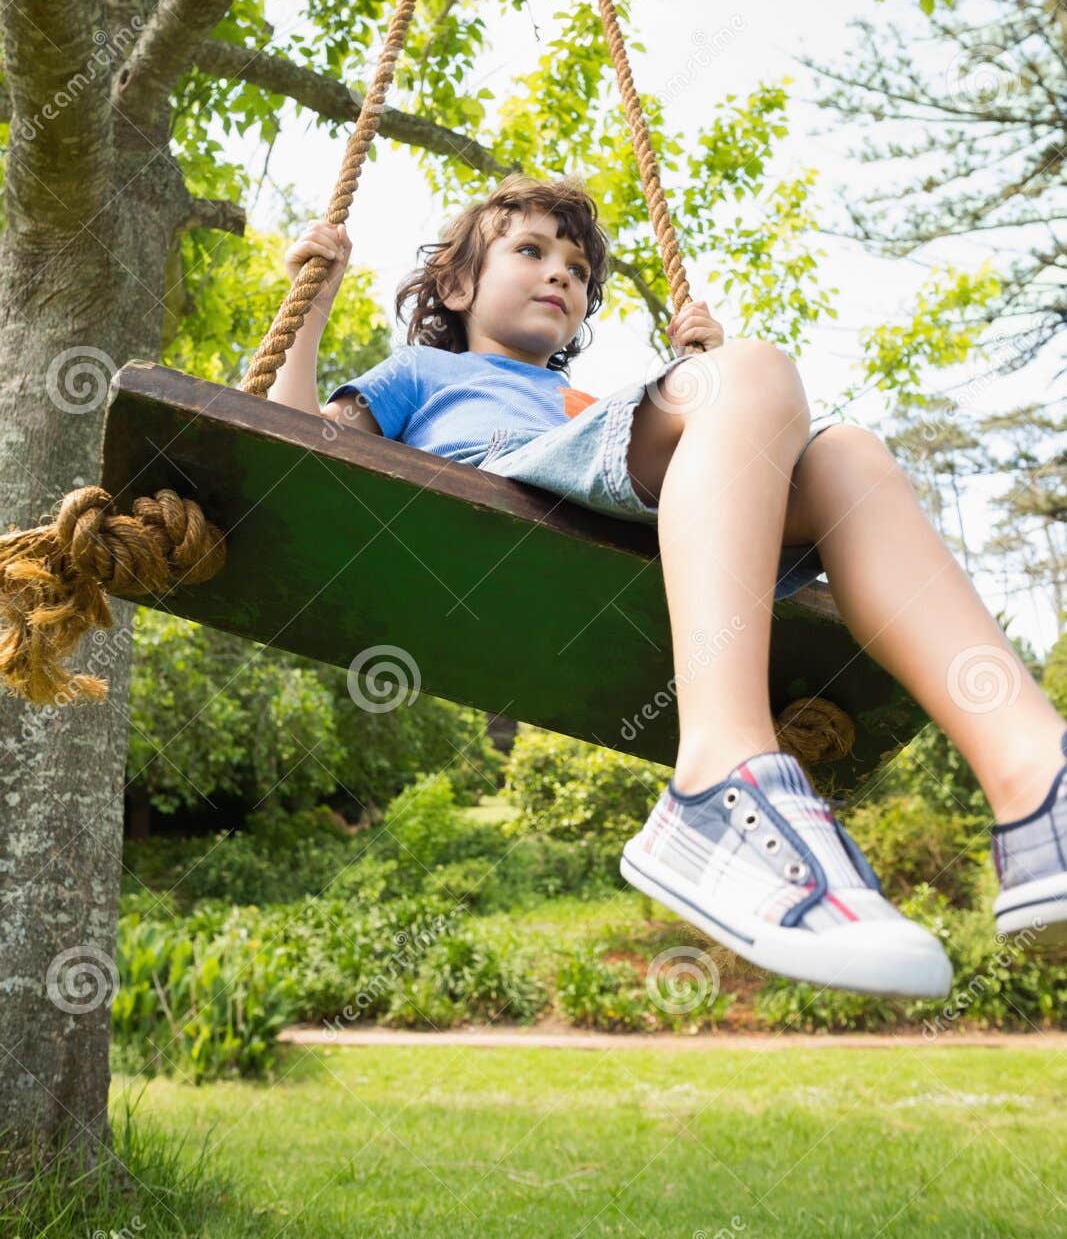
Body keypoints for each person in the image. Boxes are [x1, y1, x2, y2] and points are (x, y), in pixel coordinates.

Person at [270, 174, 1067, 999]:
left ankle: (1037, 784)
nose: (560, 276)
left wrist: (714, 391)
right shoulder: (420, 372)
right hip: (503, 501)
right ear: (456, 284)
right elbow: (292, 455)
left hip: (634, 539)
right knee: (751, 371)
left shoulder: (577, 398)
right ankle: (720, 777)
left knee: (847, 456)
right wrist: (311, 311)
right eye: (531, 251)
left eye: (577, 271)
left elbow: (663, 452)